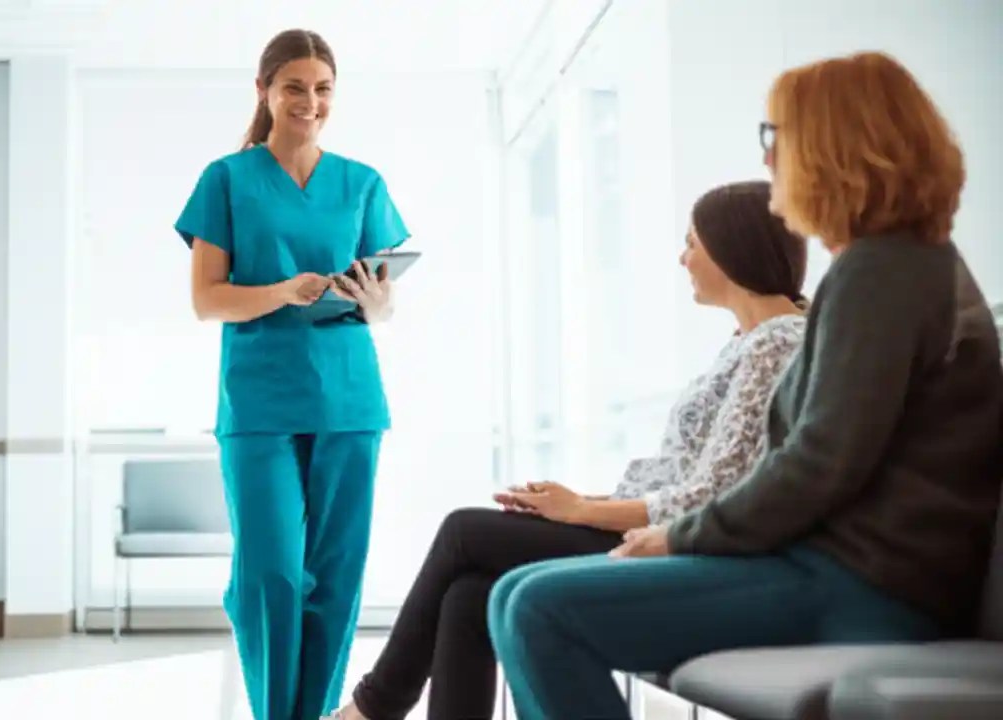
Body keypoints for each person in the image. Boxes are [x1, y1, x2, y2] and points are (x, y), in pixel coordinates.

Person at [489, 51, 1003, 720]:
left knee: (537, 608)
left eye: (776, 136)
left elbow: (819, 463)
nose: (768, 159)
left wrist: (681, 536)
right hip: (846, 569)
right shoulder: (898, 266)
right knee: (515, 594)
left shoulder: (884, 273)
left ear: (831, 148)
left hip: (868, 587)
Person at [329, 180, 810, 720]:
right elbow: (689, 477)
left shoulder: (778, 342)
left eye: (692, 244)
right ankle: (374, 709)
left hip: (685, 551)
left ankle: (372, 709)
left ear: (732, 247)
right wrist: (575, 503)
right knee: (469, 595)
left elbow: (715, 494)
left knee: (464, 533)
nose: (683, 259)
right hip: (659, 530)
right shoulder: (748, 342)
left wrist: (581, 511)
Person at [173, 29, 410, 720]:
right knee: (270, 574)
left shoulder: (361, 183)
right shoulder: (226, 179)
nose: (311, 102)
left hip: (350, 399)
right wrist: (283, 291)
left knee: (335, 578)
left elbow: (385, 300)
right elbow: (207, 299)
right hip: (259, 405)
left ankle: (319, 711)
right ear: (265, 91)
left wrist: (376, 302)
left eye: (323, 89)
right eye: (295, 88)